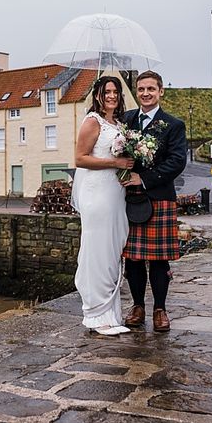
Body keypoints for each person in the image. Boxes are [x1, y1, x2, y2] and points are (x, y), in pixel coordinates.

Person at [121, 71, 189, 331]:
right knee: (133, 258)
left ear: (161, 91)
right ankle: (138, 306)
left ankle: (160, 309)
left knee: (159, 259)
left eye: (151, 89)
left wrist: (144, 178)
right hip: (129, 199)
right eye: (141, 89)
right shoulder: (126, 120)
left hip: (158, 197)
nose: (146, 93)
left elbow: (177, 161)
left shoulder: (173, 124)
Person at [71, 74, 135, 335]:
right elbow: (80, 159)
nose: (112, 96)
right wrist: (115, 163)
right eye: (107, 91)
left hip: (115, 194)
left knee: (112, 249)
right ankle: (96, 315)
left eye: (115, 92)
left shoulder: (118, 124)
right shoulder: (92, 121)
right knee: (97, 250)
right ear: (97, 94)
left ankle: (111, 313)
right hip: (96, 194)